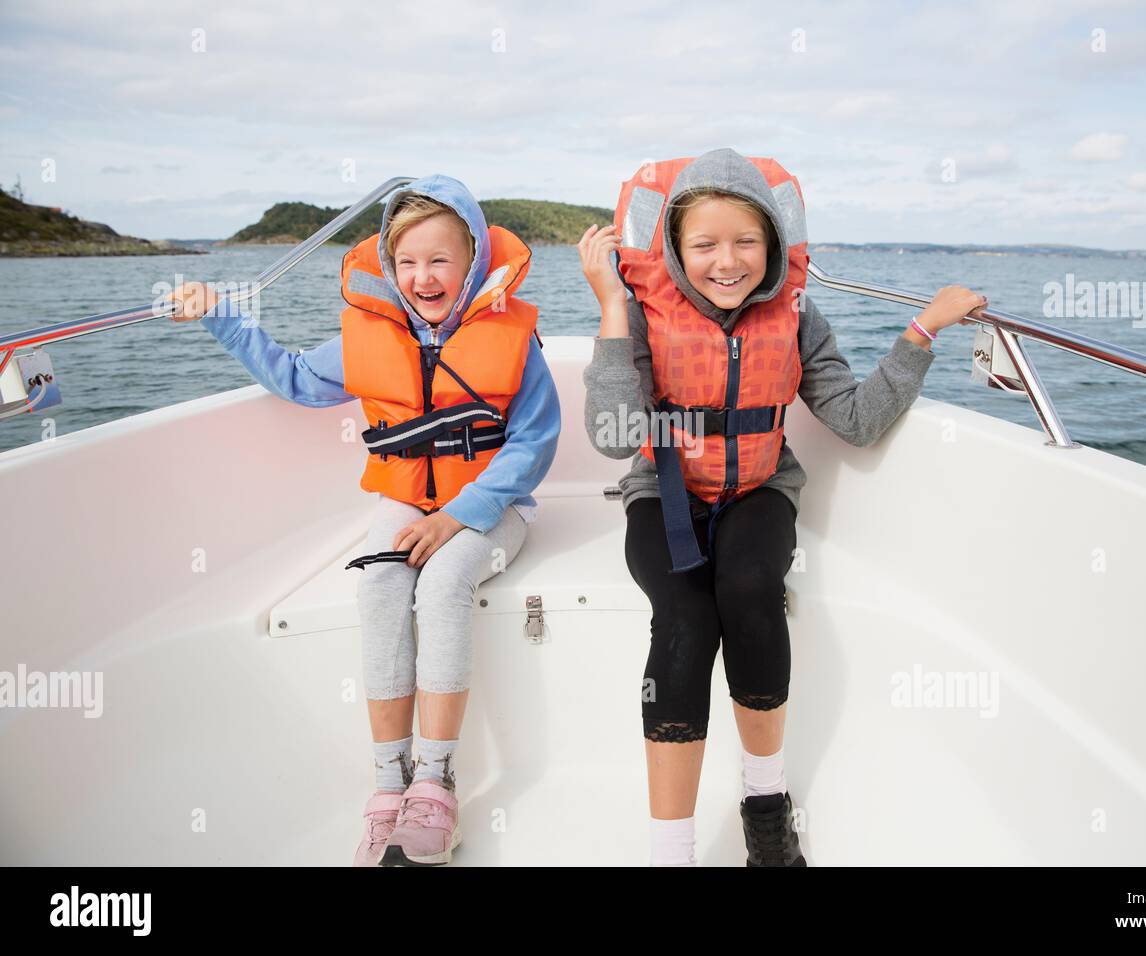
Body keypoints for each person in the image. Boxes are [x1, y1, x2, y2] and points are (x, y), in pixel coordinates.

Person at [578, 148, 983, 866]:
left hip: (761, 490)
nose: (726, 262)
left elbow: (855, 420)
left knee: (750, 590)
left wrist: (922, 332)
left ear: (773, 246)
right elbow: (613, 440)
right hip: (665, 491)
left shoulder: (796, 316)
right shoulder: (639, 314)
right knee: (684, 618)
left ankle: (766, 809)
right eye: (704, 244)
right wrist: (612, 305)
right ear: (673, 249)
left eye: (746, 242)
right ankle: (671, 851)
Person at [170, 174, 560, 866]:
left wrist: (457, 519)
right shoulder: (369, 338)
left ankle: (436, 783)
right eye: (406, 262)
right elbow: (292, 377)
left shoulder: (513, 338)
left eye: (439, 261)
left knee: (442, 587)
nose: (422, 277)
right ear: (387, 265)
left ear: (471, 261)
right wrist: (220, 315)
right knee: (379, 586)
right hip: (407, 498)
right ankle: (389, 786)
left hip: (494, 510)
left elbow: (534, 443)